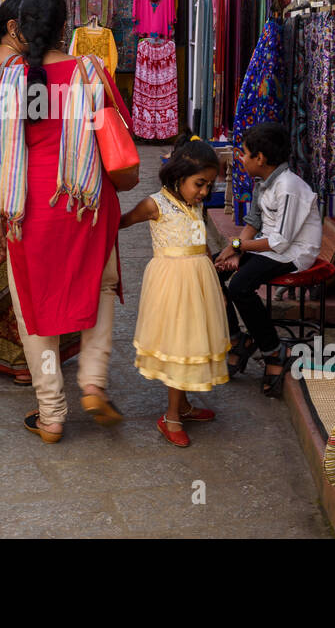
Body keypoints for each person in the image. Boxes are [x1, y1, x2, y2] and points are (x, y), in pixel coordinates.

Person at [0, 0, 135, 444]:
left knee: (35, 308)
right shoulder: (90, 72)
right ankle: (92, 381)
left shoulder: (14, 80)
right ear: (65, 28)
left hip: (29, 208)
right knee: (100, 285)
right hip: (85, 202)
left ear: (20, 30)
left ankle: (51, 414)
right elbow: (118, 135)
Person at [0, 0, 80, 385]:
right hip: (7, 176)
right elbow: (24, 134)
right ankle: (26, 360)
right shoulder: (17, 69)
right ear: (14, 27)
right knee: (16, 262)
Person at [120, 136, 229, 447]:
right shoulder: (155, 204)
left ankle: (182, 405)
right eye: (200, 184)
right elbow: (119, 223)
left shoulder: (196, 205)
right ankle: (171, 417)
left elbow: (203, 243)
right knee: (179, 347)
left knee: (192, 342)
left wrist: (217, 289)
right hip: (171, 286)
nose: (205, 192)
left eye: (209, 185)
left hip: (200, 284)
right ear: (179, 175)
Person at [214, 121, 322, 397]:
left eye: (244, 153)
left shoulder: (288, 187)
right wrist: (237, 249)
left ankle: (273, 349)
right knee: (210, 270)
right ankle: (239, 339)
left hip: (294, 252)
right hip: (268, 247)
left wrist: (241, 246)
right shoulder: (265, 182)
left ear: (259, 158)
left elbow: (281, 241)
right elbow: (254, 220)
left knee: (239, 286)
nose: (241, 158)